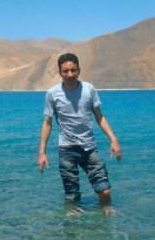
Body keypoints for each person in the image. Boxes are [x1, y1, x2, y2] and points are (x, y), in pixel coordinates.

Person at [38, 53, 122, 216]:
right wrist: (42, 153)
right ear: (60, 72)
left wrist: (114, 140)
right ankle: (74, 231)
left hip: (89, 148)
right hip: (66, 149)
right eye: (65, 71)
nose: (70, 74)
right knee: (72, 196)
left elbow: (99, 117)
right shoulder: (52, 94)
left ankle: (106, 216)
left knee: (104, 190)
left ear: (79, 70)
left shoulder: (89, 90)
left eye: (73, 70)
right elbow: (47, 123)